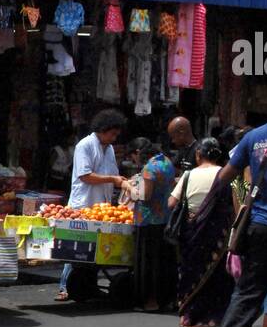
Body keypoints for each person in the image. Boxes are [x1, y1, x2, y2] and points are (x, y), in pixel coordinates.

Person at [204, 119, 267, 327]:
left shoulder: (255, 136)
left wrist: (239, 204)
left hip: (257, 226)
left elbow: (224, 178)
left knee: (247, 293)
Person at [168, 137, 233, 327]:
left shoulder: (188, 175)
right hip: (218, 240)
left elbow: (171, 203)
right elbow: (236, 204)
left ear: (198, 155)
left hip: (191, 237)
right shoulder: (226, 174)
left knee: (191, 279)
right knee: (217, 282)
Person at [56, 109, 127, 302]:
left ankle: (89, 286)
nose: (114, 138)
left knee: (93, 251)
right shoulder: (85, 146)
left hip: (100, 206)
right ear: (103, 130)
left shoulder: (109, 149)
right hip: (83, 203)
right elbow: (85, 176)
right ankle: (64, 285)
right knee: (75, 248)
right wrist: (113, 179)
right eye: (112, 133)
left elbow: (112, 174)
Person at [125, 138, 177, 312]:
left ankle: (150, 300)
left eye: (133, 157)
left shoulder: (149, 168)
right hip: (164, 217)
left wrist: (129, 188)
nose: (134, 161)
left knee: (148, 261)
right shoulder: (167, 162)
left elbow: (145, 196)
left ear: (138, 153)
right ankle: (167, 298)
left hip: (148, 219)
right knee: (164, 260)